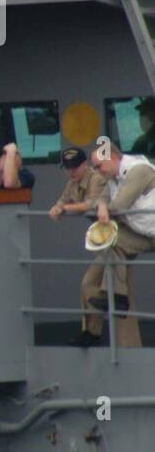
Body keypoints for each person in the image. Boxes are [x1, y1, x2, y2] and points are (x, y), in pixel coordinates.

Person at [47, 147, 121, 346]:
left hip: (119, 239)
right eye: (68, 168)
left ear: (84, 165)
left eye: (74, 168)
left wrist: (64, 208)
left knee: (107, 289)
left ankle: (113, 334)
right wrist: (57, 208)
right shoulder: (73, 183)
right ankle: (91, 332)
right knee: (89, 285)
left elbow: (91, 205)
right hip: (105, 242)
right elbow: (61, 202)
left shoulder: (96, 178)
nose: (71, 172)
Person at [83, 146, 155, 346]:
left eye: (99, 166)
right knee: (111, 240)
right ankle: (117, 297)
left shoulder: (139, 171)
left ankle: (114, 296)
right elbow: (103, 198)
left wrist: (105, 207)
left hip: (150, 230)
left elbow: (121, 204)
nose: (97, 171)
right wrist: (103, 205)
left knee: (112, 239)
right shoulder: (113, 176)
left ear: (113, 157)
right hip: (145, 231)